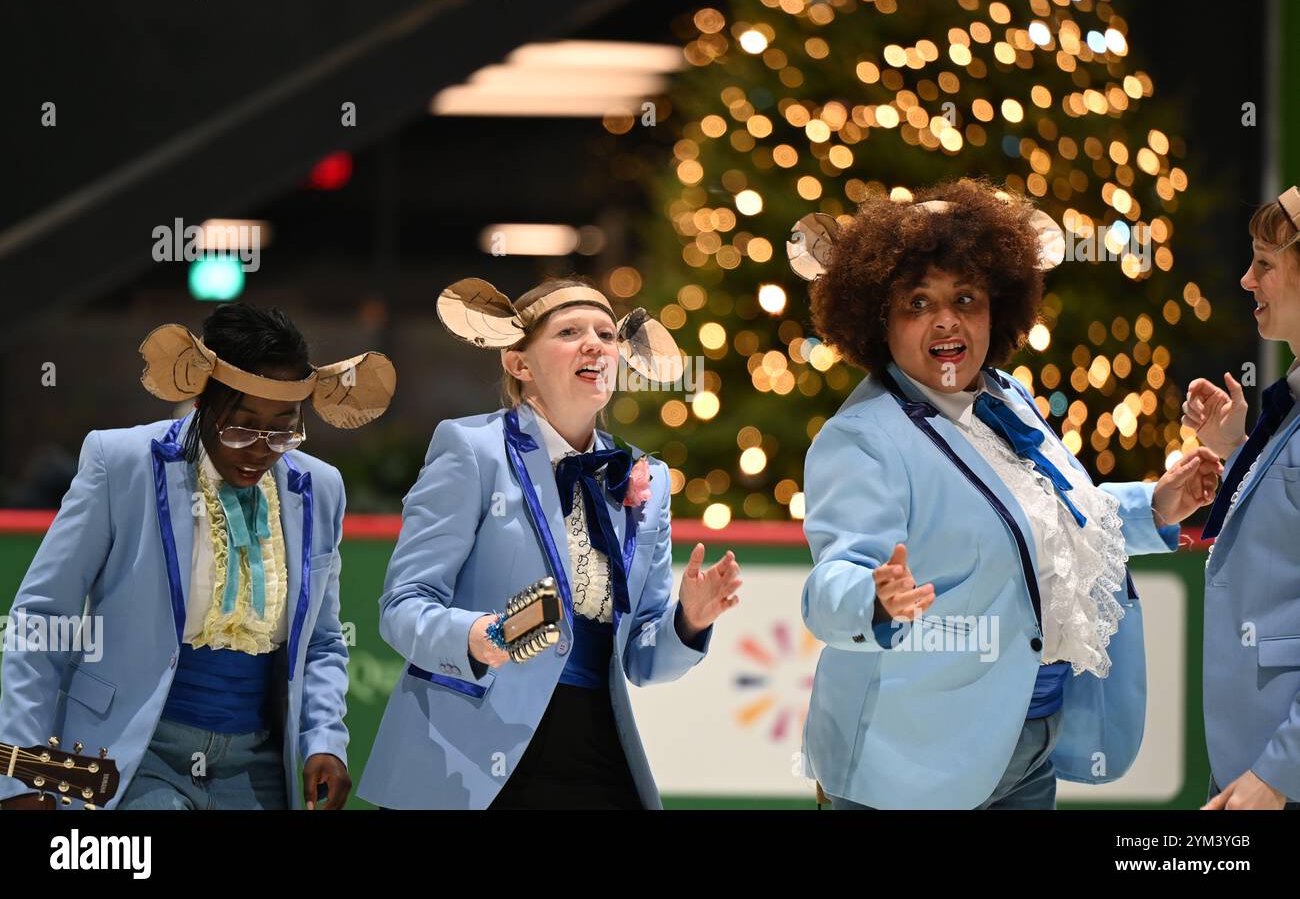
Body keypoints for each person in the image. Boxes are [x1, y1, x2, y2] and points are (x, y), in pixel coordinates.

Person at [790, 179, 1221, 808]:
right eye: (917, 302)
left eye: (966, 297)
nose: (947, 320)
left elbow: (1054, 518)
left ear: (999, 306)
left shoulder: (1002, 398)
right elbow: (829, 589)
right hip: (910, 761)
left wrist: (1154, 505)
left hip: (1028, 742)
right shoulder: (861, 439)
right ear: (878, 320)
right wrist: (872, 599)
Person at [358, 275, 742, 809]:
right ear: (519, 363)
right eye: (569, 332)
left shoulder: (646, 479)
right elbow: (402, 607)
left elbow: (643, 662)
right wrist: (475, 635)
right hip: (467, 749)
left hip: (593, 748)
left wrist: (689, 621)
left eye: (607, 335)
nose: (595, 344)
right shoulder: (472, 449)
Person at [0, 303, 395, 808]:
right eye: (241, 426)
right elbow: (41, 619)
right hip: (127, 758)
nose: (262, 448)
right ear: (204, 400)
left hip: (255, 768)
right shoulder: (120, 464)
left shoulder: (319, 488)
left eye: (283, 430)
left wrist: (324, 741)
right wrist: (27, 769)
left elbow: (321, 642)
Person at [1182, 184, 1300, 809]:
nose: (1246, 280)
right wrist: (1235, 451)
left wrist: (1282, 772)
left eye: (1265, 263)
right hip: (1253, 765)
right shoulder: (1289, 408)